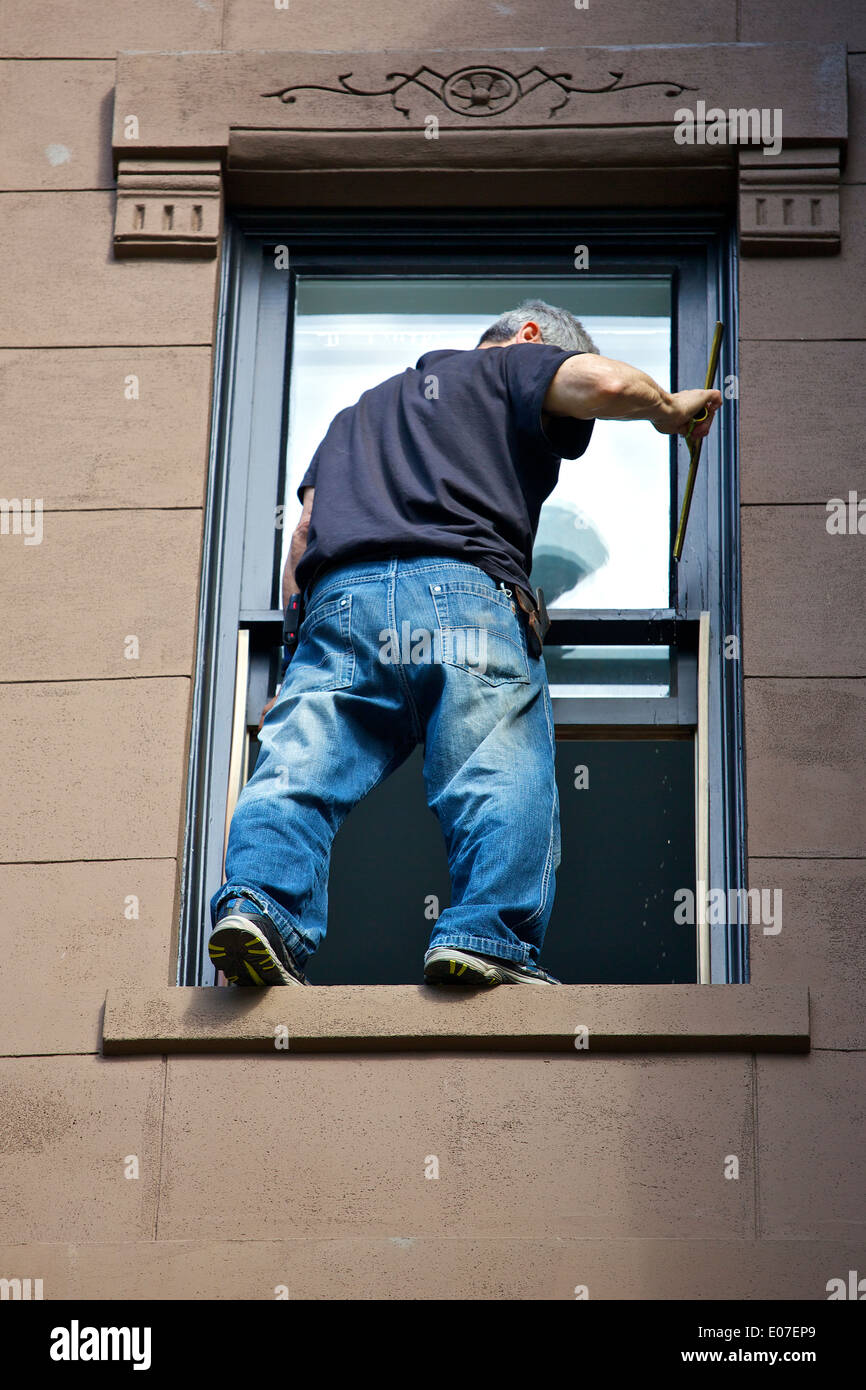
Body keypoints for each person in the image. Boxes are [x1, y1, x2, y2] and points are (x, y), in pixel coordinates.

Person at [207, 299, 721, 988]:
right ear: (531, 339)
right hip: (460, 595)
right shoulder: (515, 364)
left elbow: (302, 539)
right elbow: (600, 385)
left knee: (299, 768)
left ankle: (259, 905)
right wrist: (664, 407)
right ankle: (489, 938)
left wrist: (297, 658)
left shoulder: (356, 412)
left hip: (342, 604)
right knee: (495, 767)